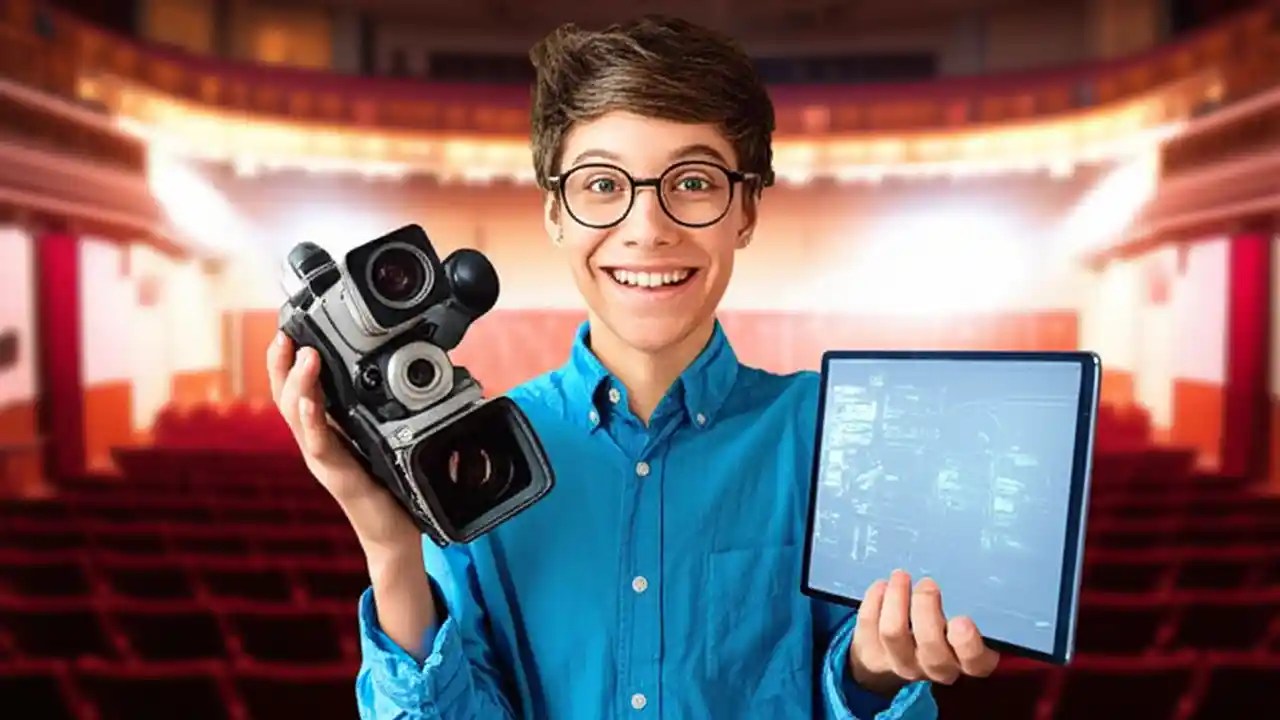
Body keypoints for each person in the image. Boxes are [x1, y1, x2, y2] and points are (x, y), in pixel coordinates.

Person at [266, 15, 1001, 719]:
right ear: (555, 213)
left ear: (745, 211)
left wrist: (874, 671)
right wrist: (392, 547)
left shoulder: (833, 435)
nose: (646, 230)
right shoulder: (478, 459)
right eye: (601, 185)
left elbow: (866, 680)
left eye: (692, 183)